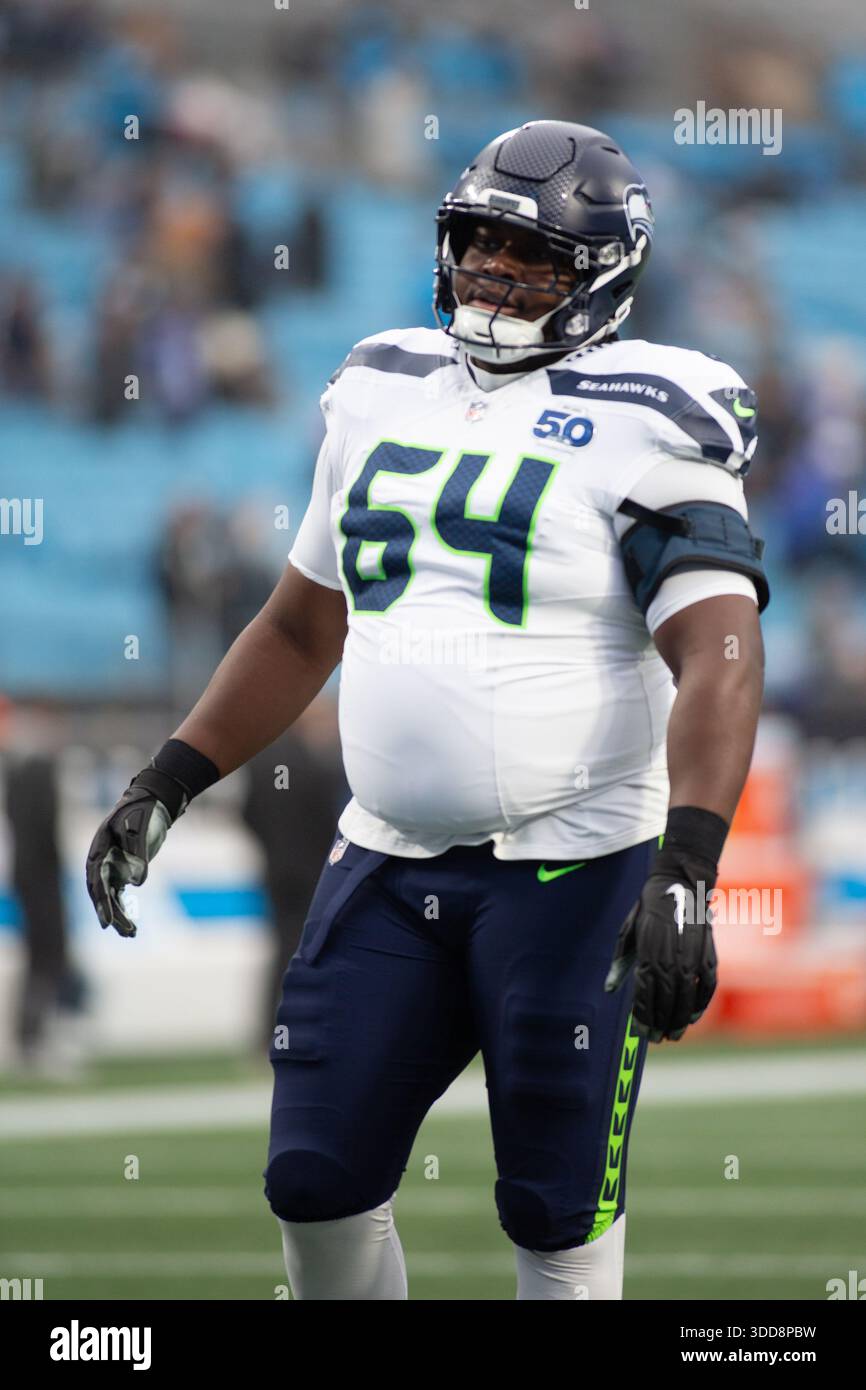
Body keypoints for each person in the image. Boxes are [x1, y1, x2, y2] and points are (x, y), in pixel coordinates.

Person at [85, 121, 768, 1300]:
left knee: (550, 1211)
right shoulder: (377, 382)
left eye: (532, 256)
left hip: (575, 867)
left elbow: (717, 651)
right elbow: (303, 624)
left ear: (601, 271)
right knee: (312, 1176)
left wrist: (688, 864)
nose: (495, 275)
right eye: (480, 245)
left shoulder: (651, 410)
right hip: (388, 861)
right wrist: (169, 779)